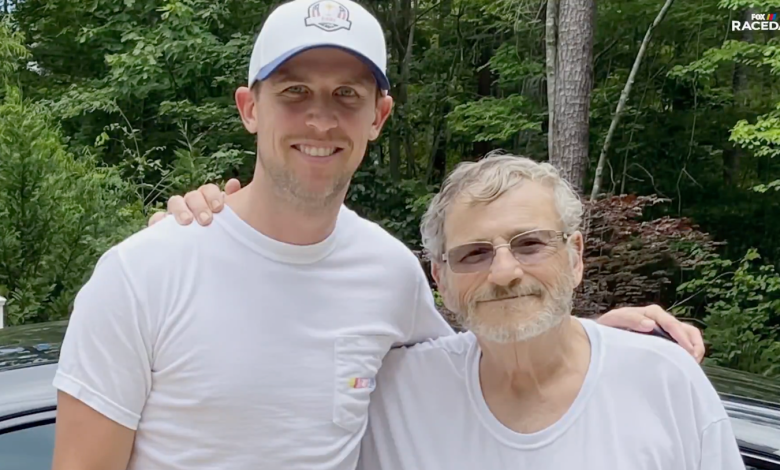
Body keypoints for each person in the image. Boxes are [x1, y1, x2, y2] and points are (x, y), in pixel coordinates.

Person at [51, 1, 703, 469]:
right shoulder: (142, 274)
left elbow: (483, 351)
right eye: (295, 91)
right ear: (250, 108)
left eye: (346, 96)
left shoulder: (389, 272)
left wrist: (594, 333)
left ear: (379, 116)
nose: (320, 118)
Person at [354, 153, 744, 470]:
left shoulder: (665, 381)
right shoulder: (395, 393)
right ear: (440, 278)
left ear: (575, 257)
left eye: (529, 245)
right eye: (474, 253)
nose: (504, 272)